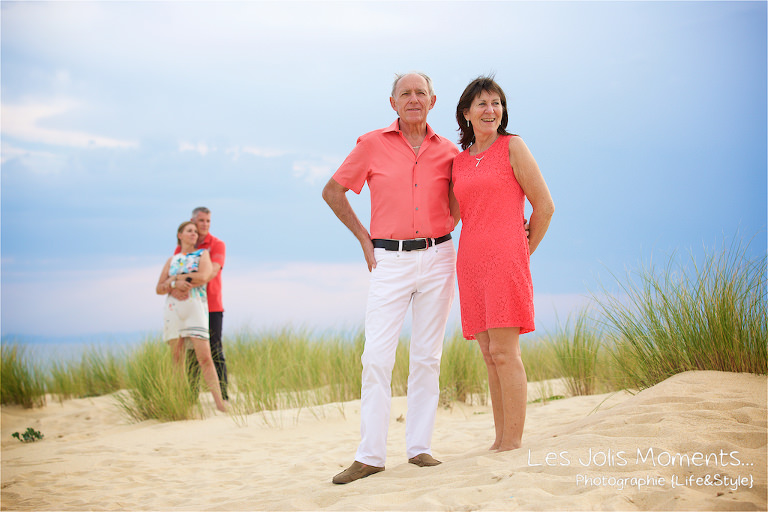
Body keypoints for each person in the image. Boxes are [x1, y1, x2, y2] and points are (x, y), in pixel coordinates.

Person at [322, 72, 459, 484]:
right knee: (376, 357)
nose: (413, 99)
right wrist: (365, 240)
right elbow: (333, 191)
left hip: (439, 256)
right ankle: (370, 456)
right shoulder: (371, 144)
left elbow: (467, 202)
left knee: (427, 357)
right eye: (406, 93)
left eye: (421, 93)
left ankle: (419, 449)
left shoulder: (450, 151)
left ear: (433, 101)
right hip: (389, 260)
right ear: (392, 102)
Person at [451, 76, 554, 452]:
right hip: (470, 264)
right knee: (488, 354)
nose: (491, 110)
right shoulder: (458, 162)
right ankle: (499, 440)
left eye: (496, 103)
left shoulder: (513, 147)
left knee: (506, 353)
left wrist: (522, 253)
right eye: (482, 104)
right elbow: (450, 216)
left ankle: (512, 442)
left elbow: (545, 206)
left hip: (506, 260)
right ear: (466, 113)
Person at [156, 221, 227, 412]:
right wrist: (172, 283)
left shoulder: (202, 254)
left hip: (195, 309)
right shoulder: (171, 260)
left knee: (205, 357)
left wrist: (179, 280)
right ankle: (180, 403)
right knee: (177, 359)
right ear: (180, 235)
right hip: (174, 311)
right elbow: (159, 288)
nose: (194, 234)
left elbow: (204, 276)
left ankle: (220, 404)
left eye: (196, 232)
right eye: (189, 231)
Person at [171, 207, 229, 400]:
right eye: (201, 221)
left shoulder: (217, 244)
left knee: (215, 351)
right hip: (188, 306)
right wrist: (176, 283)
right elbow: (172, 274)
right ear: (193, 221)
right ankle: (192, 396)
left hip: (212, 305)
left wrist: (183, 280)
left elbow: (211, 272)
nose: (205, 224)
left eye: (208, 221)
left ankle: (223, 396)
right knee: (191, 354)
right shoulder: (182, 247)